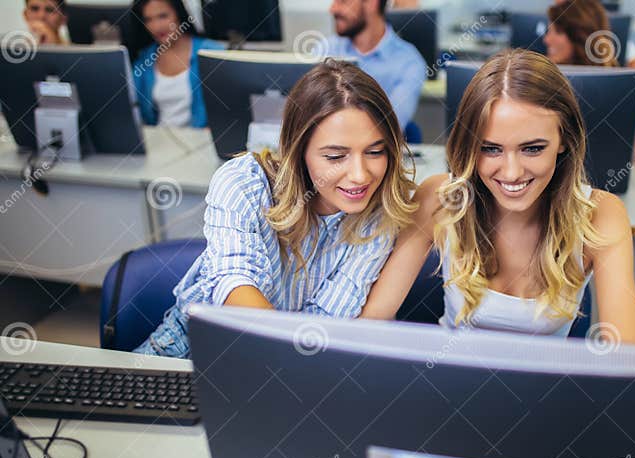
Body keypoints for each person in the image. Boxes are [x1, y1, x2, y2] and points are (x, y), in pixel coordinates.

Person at [134, 59, 417, 358]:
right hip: (192, 350)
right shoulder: (243, 182)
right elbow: (234, 284)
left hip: (292, 365)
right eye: (335, 157)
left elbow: (330, 322)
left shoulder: (380, 212)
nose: (360, 175)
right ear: (298, 151)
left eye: (375, 152)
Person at [362, 49, 635, 345]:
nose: (511, 173)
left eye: (532, 148)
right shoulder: (438, 199)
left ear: (564, 140)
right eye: (491, 149)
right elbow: (372, 322)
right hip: (450, 381)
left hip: (545, 389)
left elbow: (629, 359)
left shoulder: (601, 214)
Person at [544, 0, 635, 161]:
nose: (547, 39)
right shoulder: (543, 79)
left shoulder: (616, 89)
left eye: (557, 32)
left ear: (578, 36)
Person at [327, 0, 426, 129]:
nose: (332, 9)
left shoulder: (409, 62)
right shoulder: (325, 49)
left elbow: (388, 127)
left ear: (372, 3)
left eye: (343, 2)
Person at [130, 0, 225, 128]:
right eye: (148, 20)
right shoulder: (145, 59)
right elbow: (133, 109)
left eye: (163, 16)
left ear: (179, 14)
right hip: (158, 140)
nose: (156, 27)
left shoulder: (213, 53)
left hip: (202, 141)